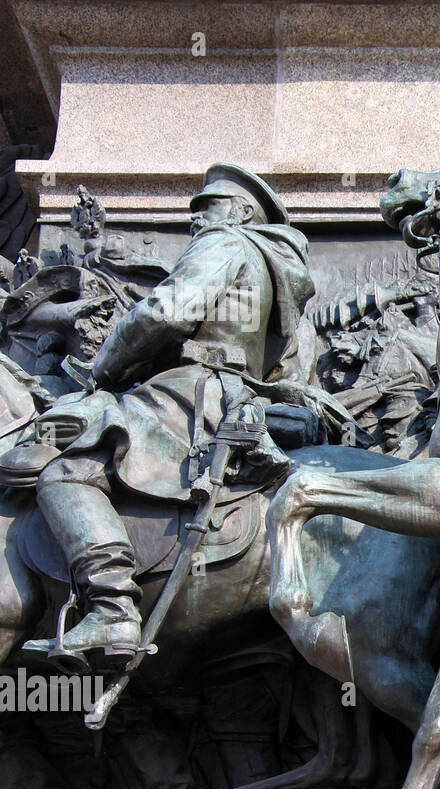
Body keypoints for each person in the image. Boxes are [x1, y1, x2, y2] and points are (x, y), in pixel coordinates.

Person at [4, 163, 315, 658]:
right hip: (234, 396)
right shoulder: (282, 276)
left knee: (66, 472)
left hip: (190, 395)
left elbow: (166, 312)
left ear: (239, 213)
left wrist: (103, 367)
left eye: (205, 209)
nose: (196, 221)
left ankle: (112, 609)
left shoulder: (226, 243)